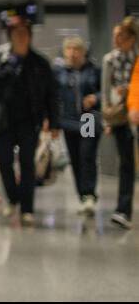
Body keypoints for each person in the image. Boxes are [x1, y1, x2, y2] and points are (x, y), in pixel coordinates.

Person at [0, 9, 58, 226]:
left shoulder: (39, 64)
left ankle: (27, 208)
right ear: (10, 35)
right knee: (4, 163)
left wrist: (54, 122)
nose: (21, 37)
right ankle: (13, 198)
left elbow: (51, 94)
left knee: (27, 165)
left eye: (24, 33)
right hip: (2, 120)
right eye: (16, 33)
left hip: (29, 120)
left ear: (30, 36)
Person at [53, 36, 101, 215]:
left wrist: (95, 98)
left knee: (86, 155)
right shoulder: (59, 73)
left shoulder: (93, 71)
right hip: (68, 120)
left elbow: (103, 91)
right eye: (69, 50)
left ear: (83, 52)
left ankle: (89, 194)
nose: (72, 54)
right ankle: (82, 196)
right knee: (75, 158)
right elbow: (53, 96)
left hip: (87, 118)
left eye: (76, 50)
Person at [101, 15, 138, 229]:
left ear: (132, 38)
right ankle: (123, 210)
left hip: (137, 111)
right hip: (120, 117)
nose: (116, 40)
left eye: (121, 36)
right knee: (126, 163)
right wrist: (107, 119)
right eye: (115, 36)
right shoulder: (109, 60)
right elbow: (105, 93)